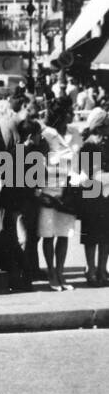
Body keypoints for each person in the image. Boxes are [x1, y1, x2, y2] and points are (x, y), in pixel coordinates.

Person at [36, 98, 80, 291]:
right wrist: (37, 191)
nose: (71, 115)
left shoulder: (74, 133)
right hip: (47, 192)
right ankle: (52, 273)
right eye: (67, 112)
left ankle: (61, 273)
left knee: (64, 234)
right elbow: (35, 161)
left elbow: (80, 162)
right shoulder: (46, 134)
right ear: (59, 115)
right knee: (48, 234)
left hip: (67, 192)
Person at [78, 109, 109, 285]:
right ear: (100, 127)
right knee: (91, 235)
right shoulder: (88, 145)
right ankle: (91, 269)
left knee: (106, 234)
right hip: (92, 194)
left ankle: (102, 269)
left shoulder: (106, 143)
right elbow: (89, 172)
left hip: (106, 194)